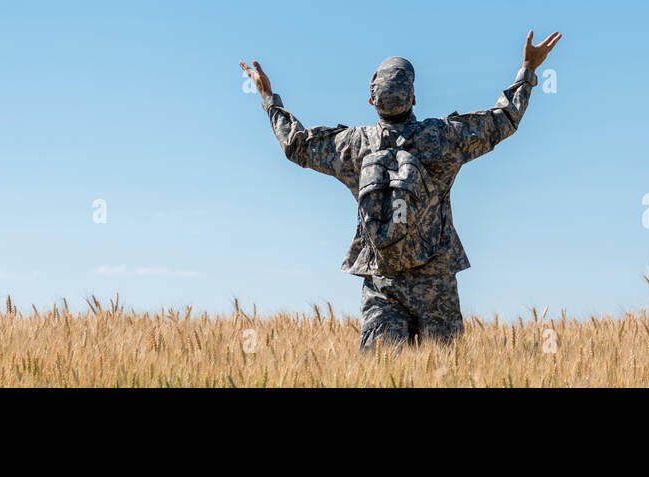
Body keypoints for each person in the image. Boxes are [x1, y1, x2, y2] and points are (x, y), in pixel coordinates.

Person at [240, 30, 561, 351]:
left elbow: (296, 145)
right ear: (413, 99)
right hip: (436, 280)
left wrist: (268, 98)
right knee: (446, 373)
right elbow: (503, 120)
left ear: (371, 100)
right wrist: (527, 71)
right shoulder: (441, 138)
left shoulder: (353, 144)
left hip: (381, 282)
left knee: (382, 372)